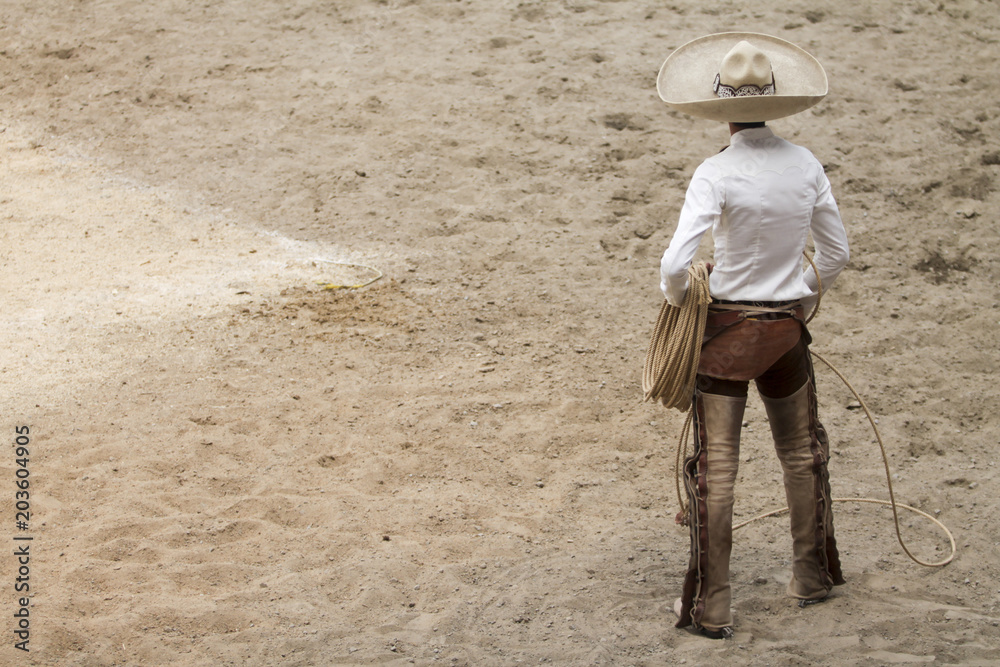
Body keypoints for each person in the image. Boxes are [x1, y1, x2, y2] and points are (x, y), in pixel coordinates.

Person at [654, 33, 850, 638]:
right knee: (802, 453)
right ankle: (810, 576)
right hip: (786, 332)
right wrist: (799, 300)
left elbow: (674, 265)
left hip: (728, 333)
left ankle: (713, 609)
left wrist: (687, 298)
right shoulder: (806, 163)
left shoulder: (715, 172)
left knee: (717, 468)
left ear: (721, 109)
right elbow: (837, 253)